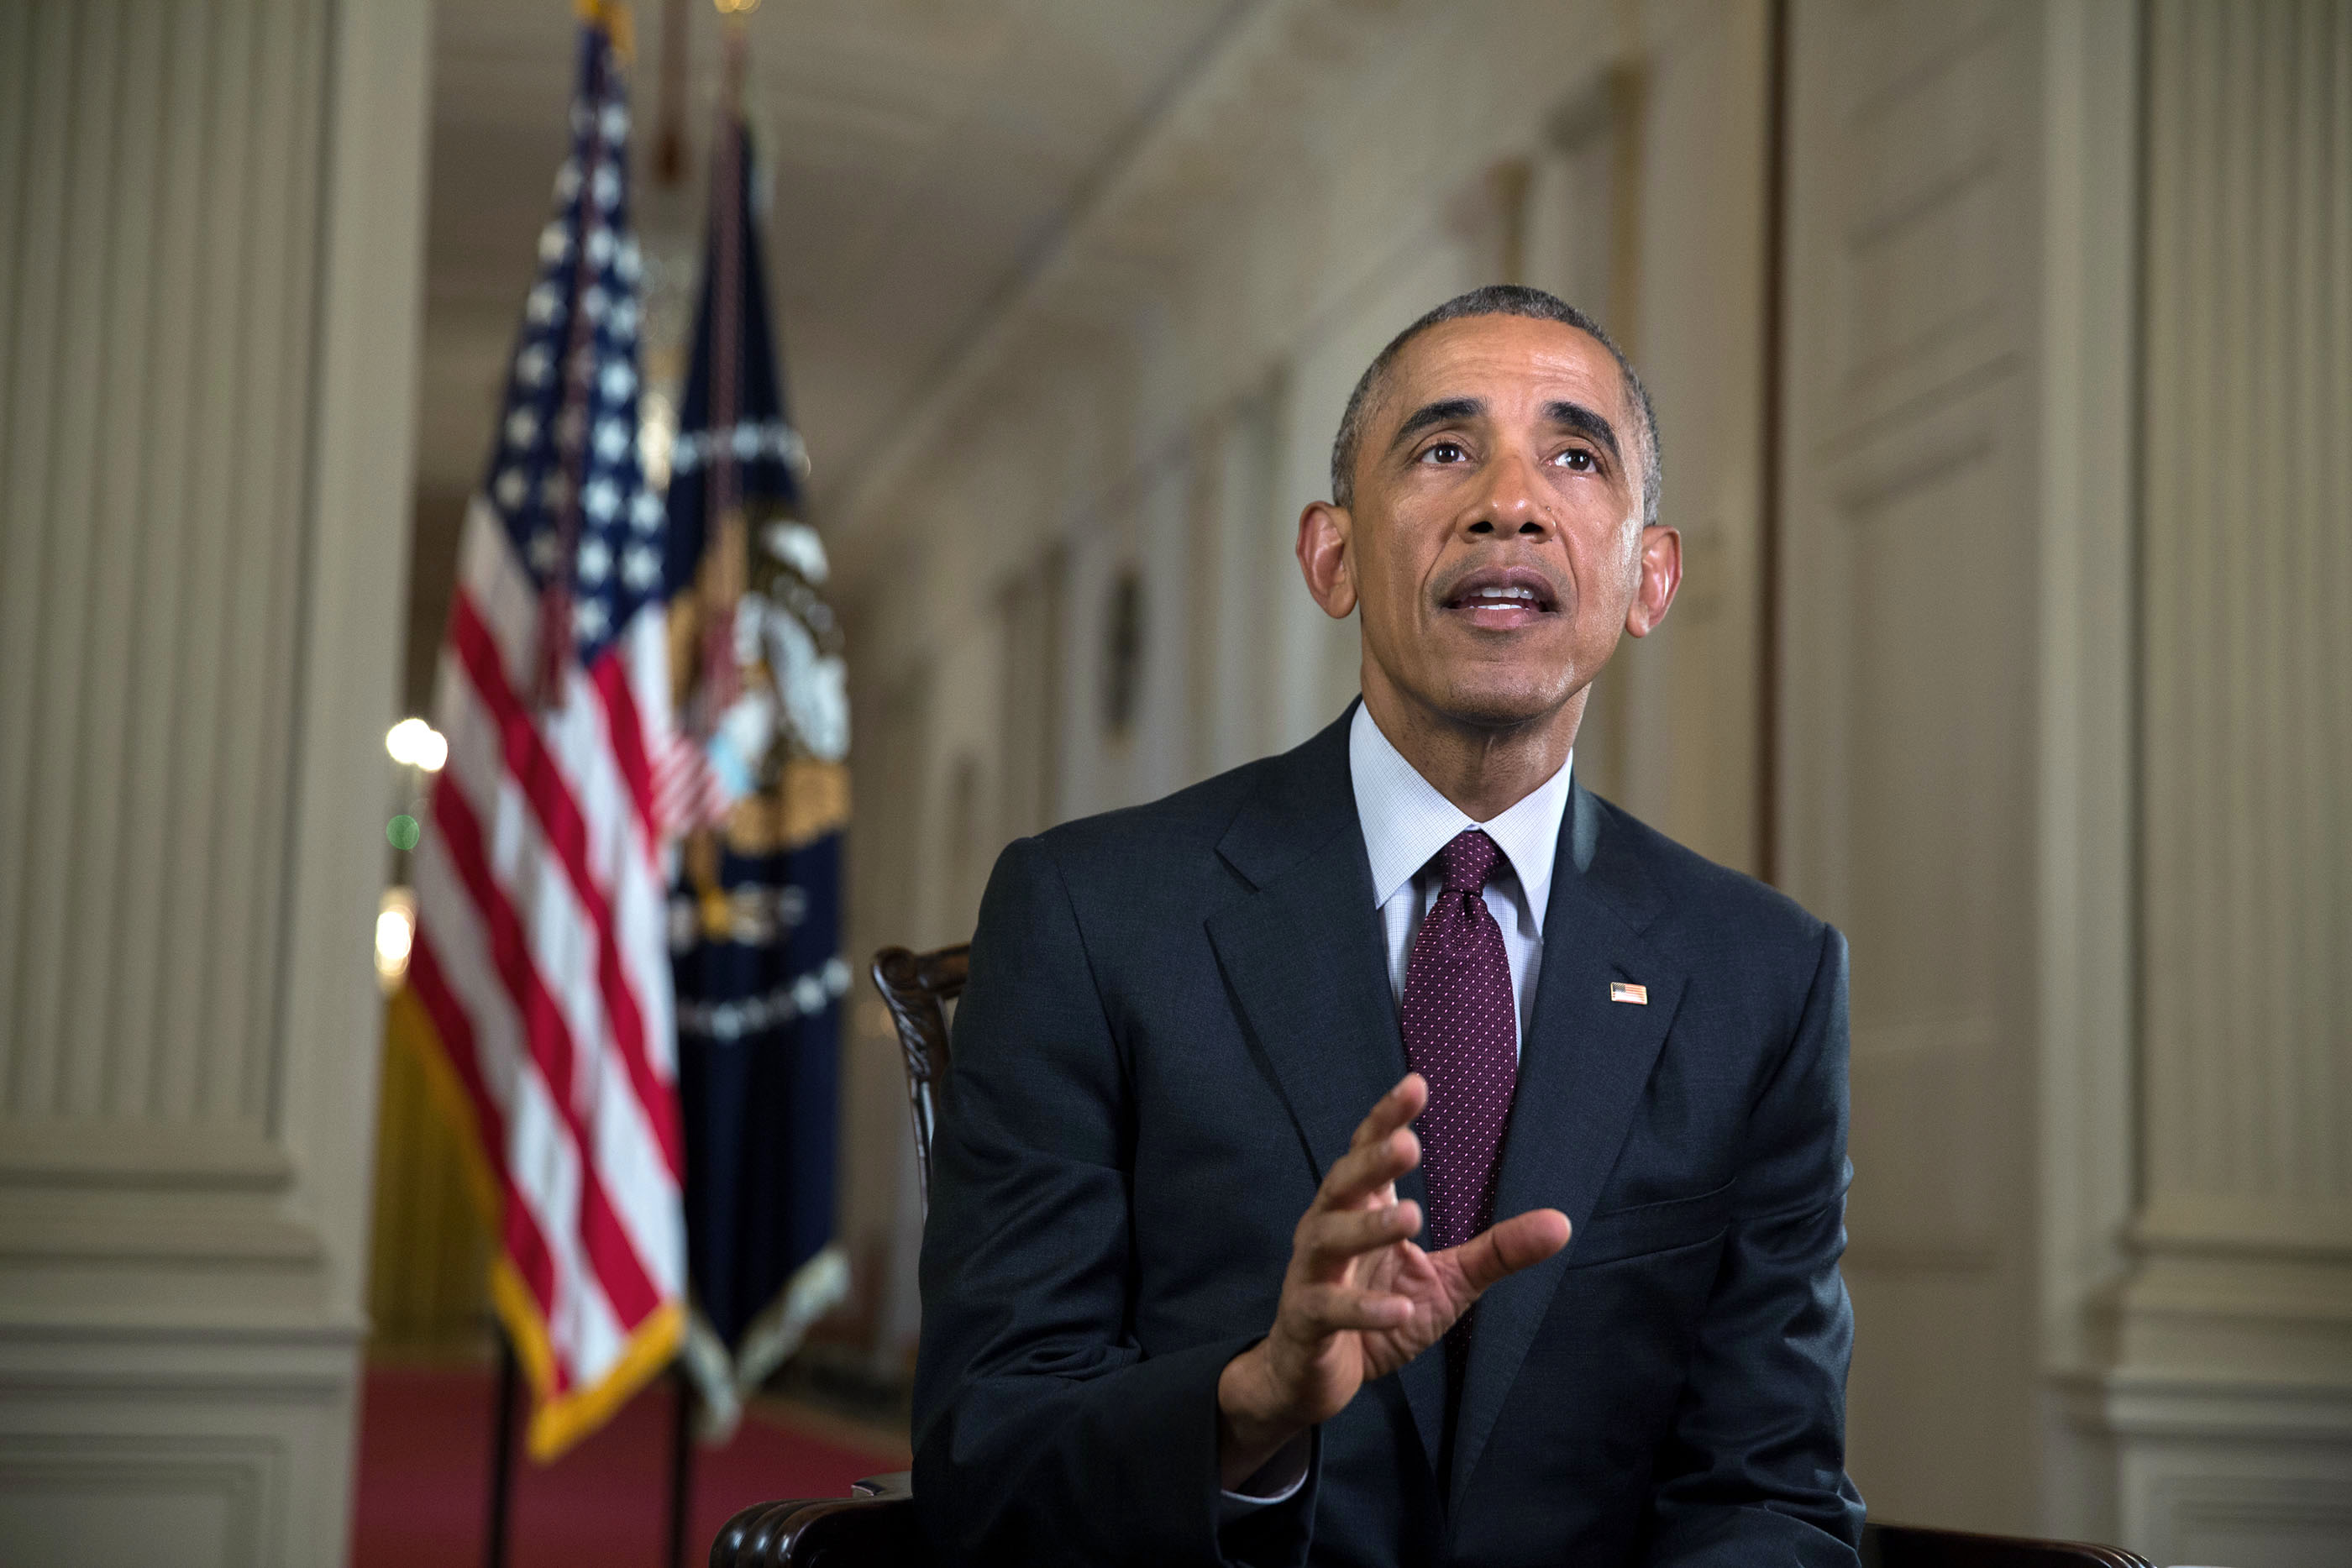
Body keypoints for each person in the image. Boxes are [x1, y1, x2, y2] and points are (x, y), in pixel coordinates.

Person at [913, 285, 1864, 1566]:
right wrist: (1253, 1402)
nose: (1509, 503)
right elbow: (989, 1451)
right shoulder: (1092, 917)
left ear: (1650, 577)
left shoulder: (1765, 976)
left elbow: (1770, 1494)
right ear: (1333, 556)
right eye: (1445, 450)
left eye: (1575, 457)